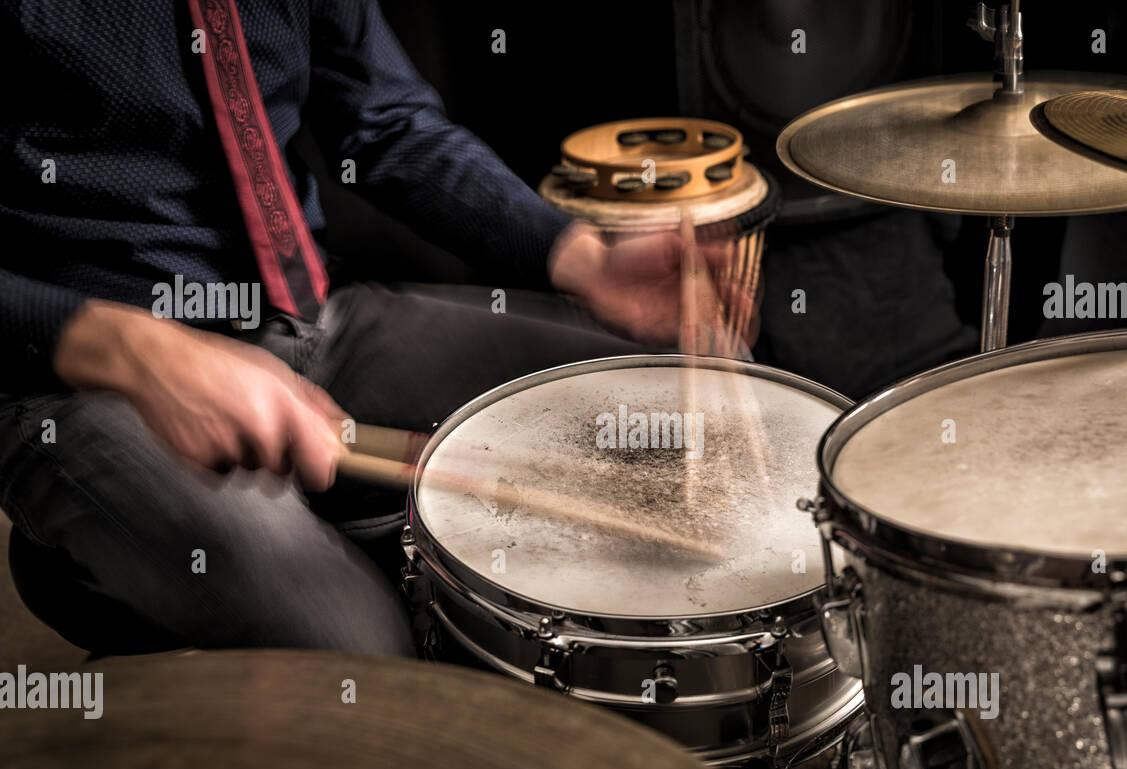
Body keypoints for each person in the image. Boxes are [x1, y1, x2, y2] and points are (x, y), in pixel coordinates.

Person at [0, 0, 712, 656]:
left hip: (307, 323)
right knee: (365, 651)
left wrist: (579, 255)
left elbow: (384, 120)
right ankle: (89, 558)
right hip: (72, 377)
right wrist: (130, 348)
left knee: (682, 420)